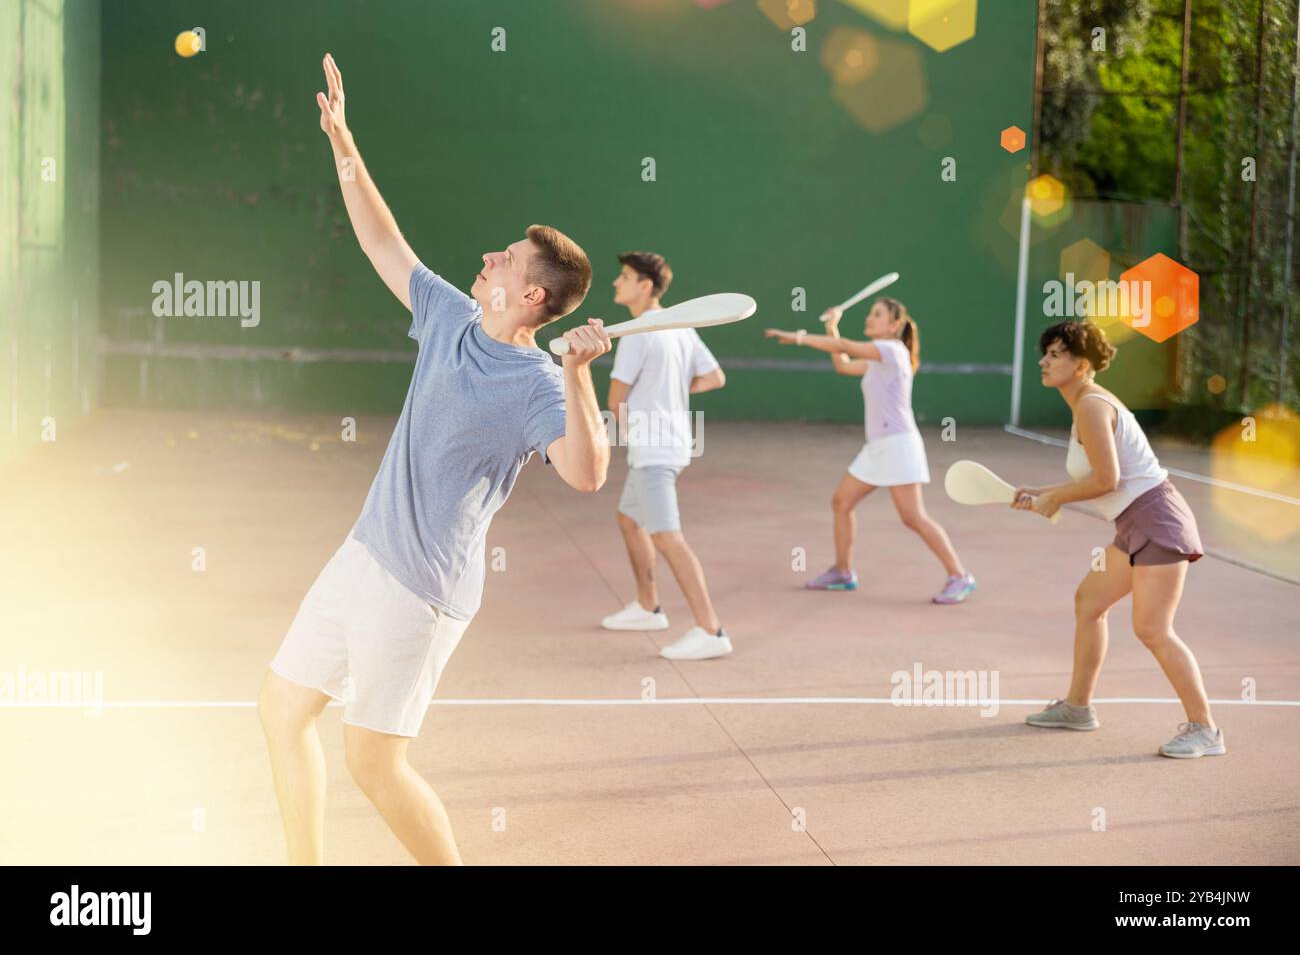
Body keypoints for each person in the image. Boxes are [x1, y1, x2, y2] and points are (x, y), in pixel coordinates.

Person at [257, 53, 614, 866]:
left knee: (373, 763)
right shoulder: (450, 315)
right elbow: (385, 240)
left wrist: (578, 376)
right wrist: (344, 144)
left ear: (530, 298)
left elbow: (589, 474)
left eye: (506, 263)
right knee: (282, 710)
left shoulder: (536, 384)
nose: (487, 257)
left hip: (419, 590)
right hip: (363, 552)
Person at [1012, 320, 1223, 758]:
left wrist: (1056, 499)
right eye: (1045, 353)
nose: (1043, 362)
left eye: (1055, 355)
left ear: (1082, 364)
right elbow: (1098, 478)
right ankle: (1077, 708)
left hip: (1157, 520)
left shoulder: (1091, 406)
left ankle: (1205, 729)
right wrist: (1043, 492)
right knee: (1089, 603)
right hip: (1134, 524)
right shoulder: (1084, 406)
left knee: (1152, 629)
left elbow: (1107, 480)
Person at [764, 298, 975, 603]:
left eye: (877, 315)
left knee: (913, 517)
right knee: (841, 502)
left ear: (894, 326)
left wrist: (797, 337)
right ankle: (843, 572)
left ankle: (960, 575)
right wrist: (831, 327)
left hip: (899, 445)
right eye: (870, 313)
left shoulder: (892, 350)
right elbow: (843, 364)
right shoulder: (879, 358)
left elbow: (847, 347)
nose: (870, 318)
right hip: (877, 447)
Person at [600, 252, 732, 660]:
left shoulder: (639, 331)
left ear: (645, 286)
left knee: (667, 536)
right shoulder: (680, 328)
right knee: (628, 519)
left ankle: (711, 629)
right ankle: (647, 606)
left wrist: (622, 438)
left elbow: (615, 400)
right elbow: (715, 377)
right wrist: (668, 391)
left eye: (624, 277)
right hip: (673, 443)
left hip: (654, 449)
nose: (615, 283)